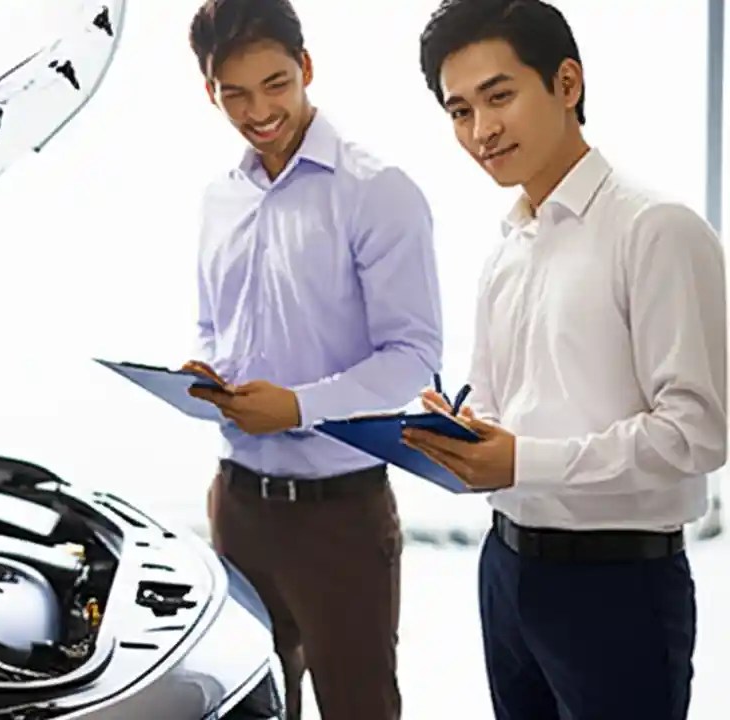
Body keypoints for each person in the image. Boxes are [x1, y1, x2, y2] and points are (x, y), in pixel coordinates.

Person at [405, 1, 728, 718]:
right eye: (460, 111)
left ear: (567, 83)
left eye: (499, 96)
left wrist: (523, 461)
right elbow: (499, 405)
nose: (481, 130)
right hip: (507, 570)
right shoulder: (508, 248)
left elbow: (697, 433)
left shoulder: (657, 230)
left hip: (620, 587)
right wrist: (459, 431)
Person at [181, 1, 444, 718]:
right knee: (249, 706)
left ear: (306, 68)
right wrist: (207, 373)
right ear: (210, 90)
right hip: (235, 505)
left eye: (274, 84)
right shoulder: (220, 199)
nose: (258, 110)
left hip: (339, 521)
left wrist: (295, 407)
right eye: (234, 92)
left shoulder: (375, 192)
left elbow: (414, 358)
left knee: (358, 707)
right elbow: (213, 325)